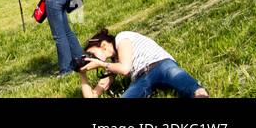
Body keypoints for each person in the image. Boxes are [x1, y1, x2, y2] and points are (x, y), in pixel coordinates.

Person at [78, 28, 208, 98]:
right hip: (141, 78)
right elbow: (93, 96)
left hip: (160, 64)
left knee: (179, 77)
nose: (93, 58)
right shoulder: (112, 64)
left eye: (92, 54)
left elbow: (125, 68)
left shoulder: (122, 38)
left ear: (104, 45)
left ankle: (200, 95)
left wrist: (101, 64)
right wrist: (82, 73)